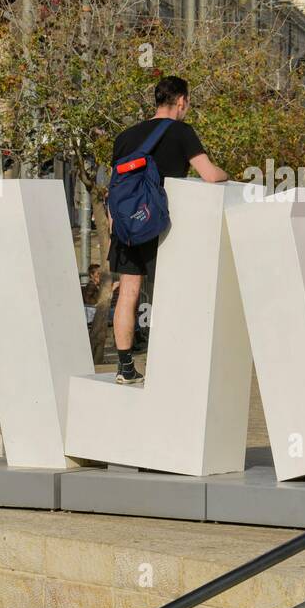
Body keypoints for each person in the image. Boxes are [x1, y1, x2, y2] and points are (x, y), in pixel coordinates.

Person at [108, 75, 228, 384]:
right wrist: (227, 174)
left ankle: (124, 366)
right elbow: (210, 175)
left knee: (129, 291)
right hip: (161, 227)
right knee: (169, 293)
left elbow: (115, 187)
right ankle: (167, 365)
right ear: (182, 101)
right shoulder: (181, 132)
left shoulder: (125, 136)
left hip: (127, 224)